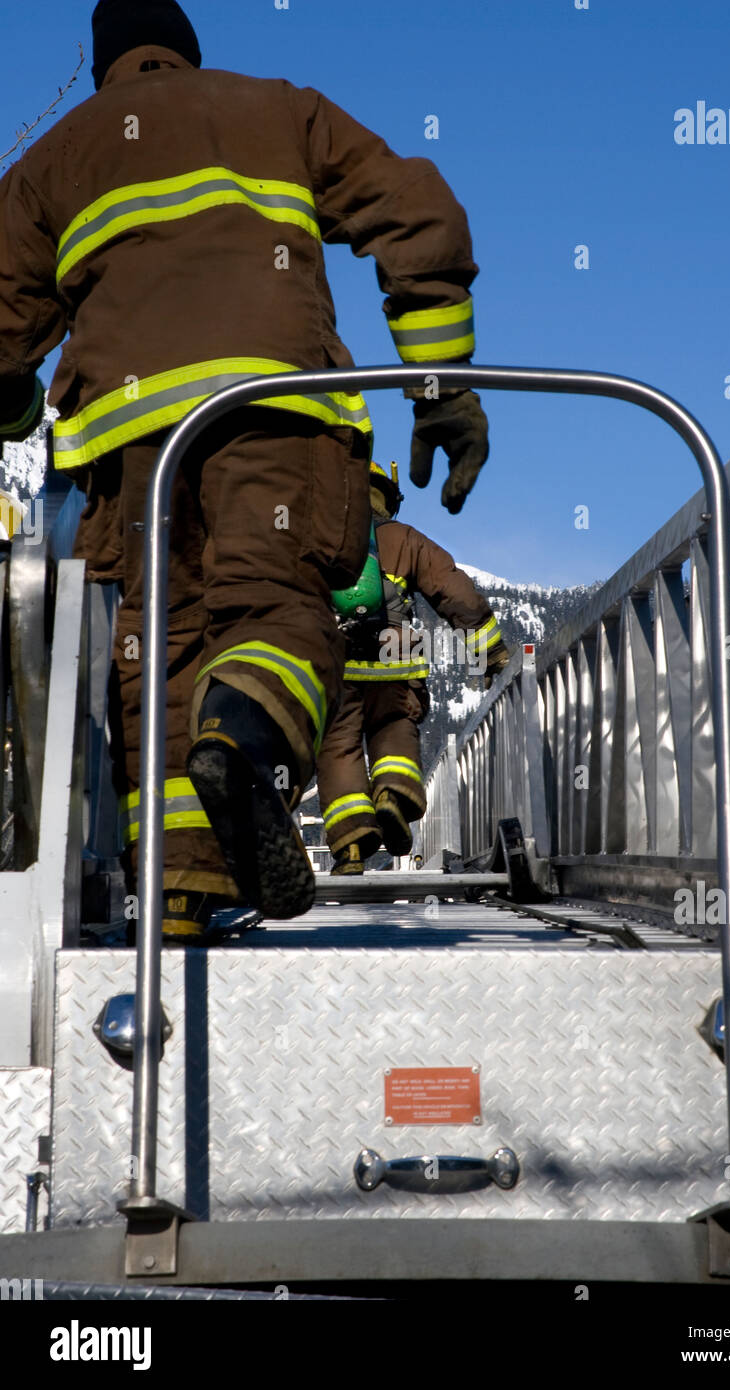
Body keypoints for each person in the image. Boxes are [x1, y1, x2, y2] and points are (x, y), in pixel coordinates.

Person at [0, 0, 489, 941]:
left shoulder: (56, 158)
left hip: (128, 450)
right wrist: (440, 386)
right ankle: (250, 734)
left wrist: (22, 408)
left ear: (106, 67)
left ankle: (181, 894)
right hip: (271, 416)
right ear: (187, 52)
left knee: (160, 656)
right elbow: (415, 208)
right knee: (279, 612)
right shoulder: (276, 109)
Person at [318, 461, 510, 874]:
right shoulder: (404, 539)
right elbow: (454, 592)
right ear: (388, 496)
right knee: (395, 731)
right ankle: (392, 795)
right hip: (395, 669)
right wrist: (489, 652)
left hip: (336, 671)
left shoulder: (319, 541)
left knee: (338, 749)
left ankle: (350, 848)